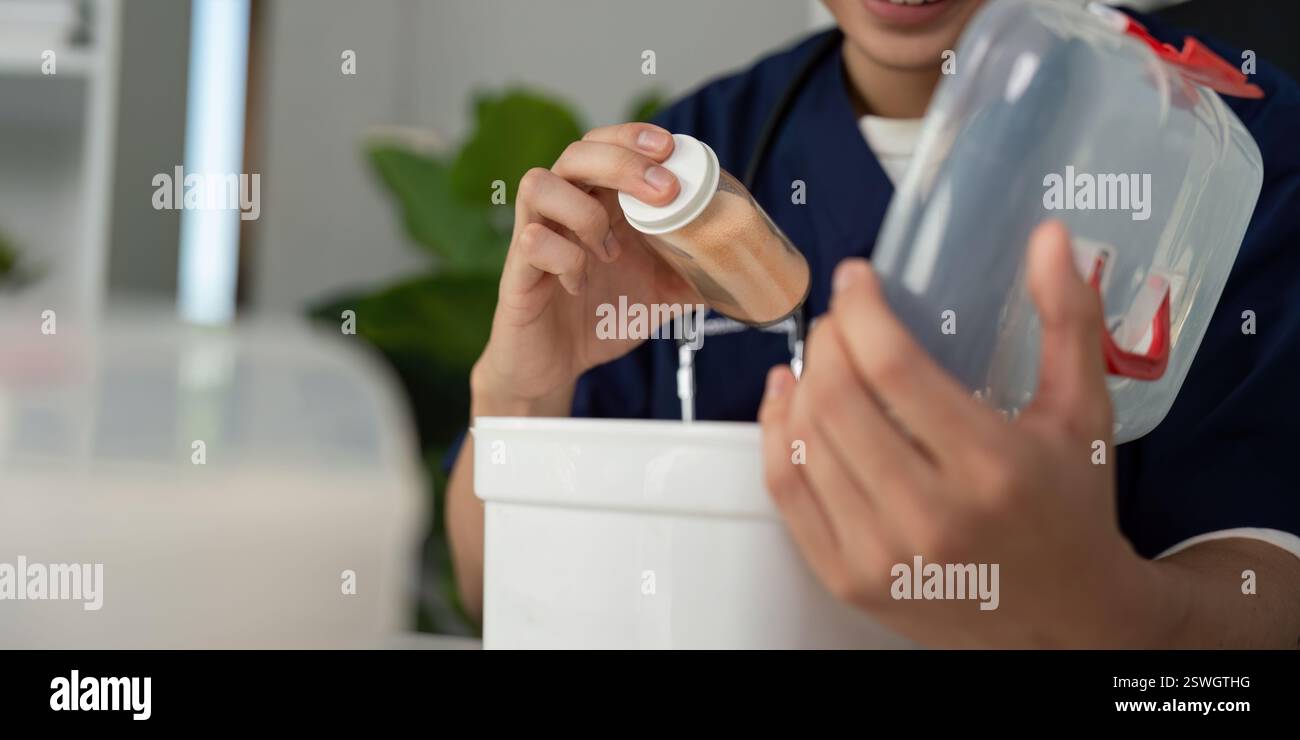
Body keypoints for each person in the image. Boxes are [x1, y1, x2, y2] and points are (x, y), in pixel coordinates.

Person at [445, 0, 1300, 647]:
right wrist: (524, 387)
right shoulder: (686, 162)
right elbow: (500, 592)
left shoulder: (1215, 139)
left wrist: (1095, 609)